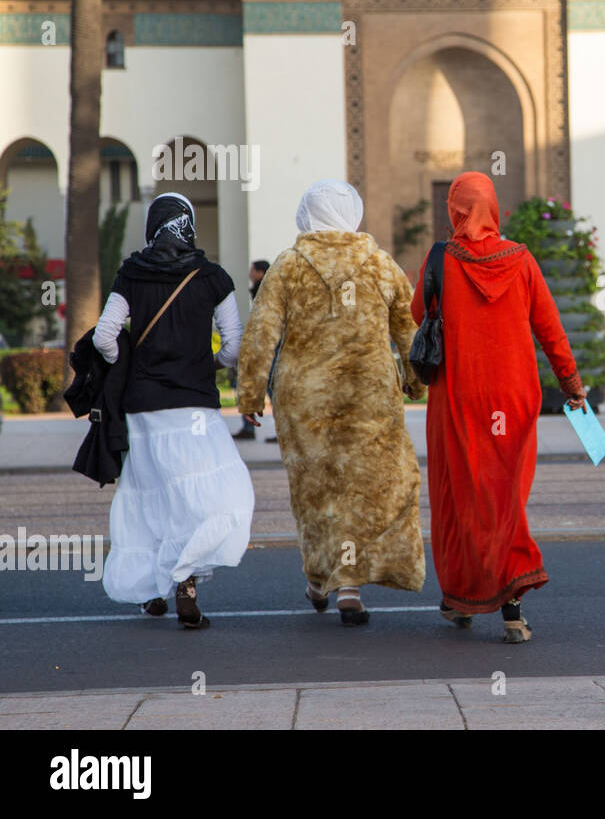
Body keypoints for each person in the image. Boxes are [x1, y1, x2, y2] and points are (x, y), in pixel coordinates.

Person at [236, 180, 427, 626]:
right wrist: (415, 382)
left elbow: (262, 332)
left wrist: (249, 393)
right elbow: (408, 330)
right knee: (365, 490)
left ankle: (321, 579)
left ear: (308, 214)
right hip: (371, 396)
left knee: (316, 492)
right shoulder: (381, 265)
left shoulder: (287, 266)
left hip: (306, 399)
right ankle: (350, 587)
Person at [412, 171, 586, 643]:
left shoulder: (440, 260)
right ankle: (512, 605)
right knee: (503, 498)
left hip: (459, 397)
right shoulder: (522, 260)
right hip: (513, 397)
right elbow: (549, 328)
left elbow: (417, 314)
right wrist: (571, 384)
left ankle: (461, 597)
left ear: (455, 211)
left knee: (459, 494)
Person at [93, 192, 254, 630]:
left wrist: (124, 363)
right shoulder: (212, 277)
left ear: (153, 226)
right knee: (202, 498)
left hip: (144, 409)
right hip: (196, 409)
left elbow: (104, 337)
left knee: (152, 500)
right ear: (189, 225)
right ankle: (186, 580)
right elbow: (235, 345)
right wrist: (209, 363)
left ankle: (151, 591)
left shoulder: (132, 273)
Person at [232, 260, 270, 441]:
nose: (249, 274)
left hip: (264, 345)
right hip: (264, 344)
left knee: (250, 385)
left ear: (260, 273)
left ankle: (249, 427)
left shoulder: (265, 290)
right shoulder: (261, 289)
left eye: (252, 270)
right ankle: (249, 426)